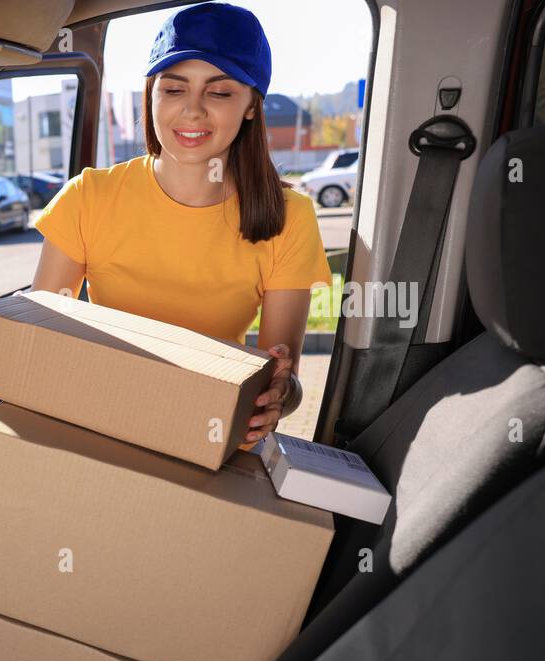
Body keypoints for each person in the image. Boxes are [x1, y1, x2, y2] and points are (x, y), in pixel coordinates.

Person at [31, 2, 332, 445]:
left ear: (252, 105)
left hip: (208, 437)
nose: (192, 111)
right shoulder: (88, 197)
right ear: (150, 95)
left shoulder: (288, 217)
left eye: (220, 92)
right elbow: (40, 341)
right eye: (173, 90)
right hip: (97, 425)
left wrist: (279, 394)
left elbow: (282, 382)